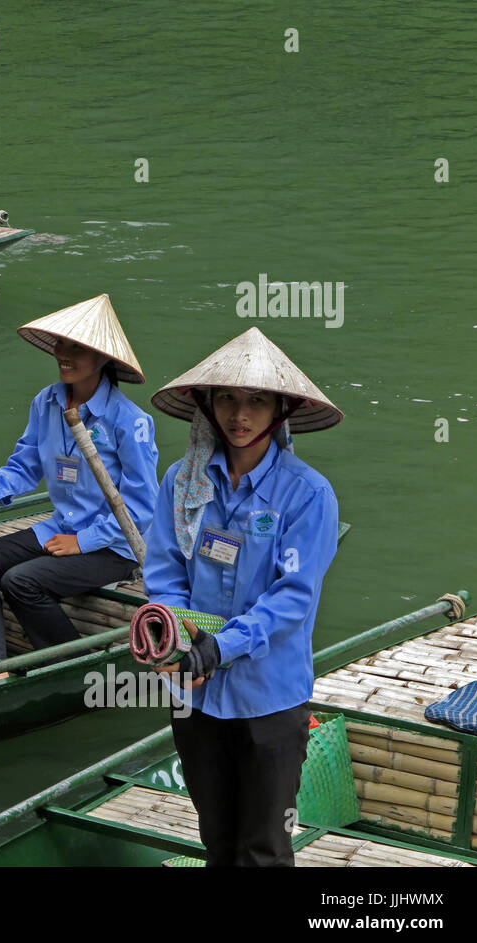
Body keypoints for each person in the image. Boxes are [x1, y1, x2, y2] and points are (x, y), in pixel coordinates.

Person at [141, 326, 343, 867]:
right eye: (227, 398)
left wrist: (220, 648)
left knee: (263, 849)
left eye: (256, 400)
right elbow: (163, 572)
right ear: (206, 404)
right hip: (196, 692)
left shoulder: (307, 494)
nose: (239, 414)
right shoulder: (181, 485)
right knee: (218, 841)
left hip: (270, 698)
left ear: (280, 410)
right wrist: (182, 642)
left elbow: (292, 597)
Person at [0, 294, 159, 659]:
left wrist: (82, 542)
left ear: (102, 358)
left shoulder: (131, 422)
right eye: (61, 343)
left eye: (77, 346)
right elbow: (25, 464)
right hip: (59, 529)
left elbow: (143, 509)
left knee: (21, 580)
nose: (64, 352)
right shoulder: (46, 402)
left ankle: (71, 663)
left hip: (114, 546)